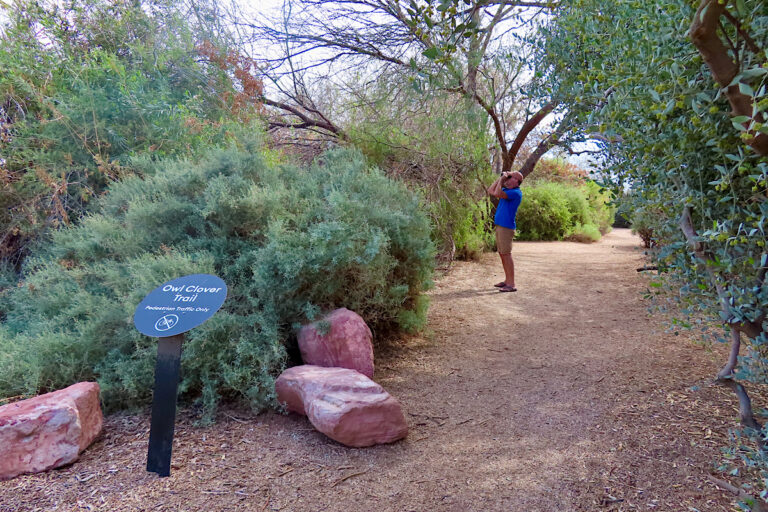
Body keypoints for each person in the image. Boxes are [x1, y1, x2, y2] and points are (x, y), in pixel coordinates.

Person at [486, 170, 524, 292]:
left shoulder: (516, 193)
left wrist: (502, 179)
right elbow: (490, 190)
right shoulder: (508, 191)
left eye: (511, 177)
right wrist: (501, 178)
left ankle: (511, 284)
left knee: (506, 254)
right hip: (501, 226)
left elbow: (497, 193)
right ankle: (507, 280)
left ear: (517, 181)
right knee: (502, 254)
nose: (508, 178)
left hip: (506, 227)